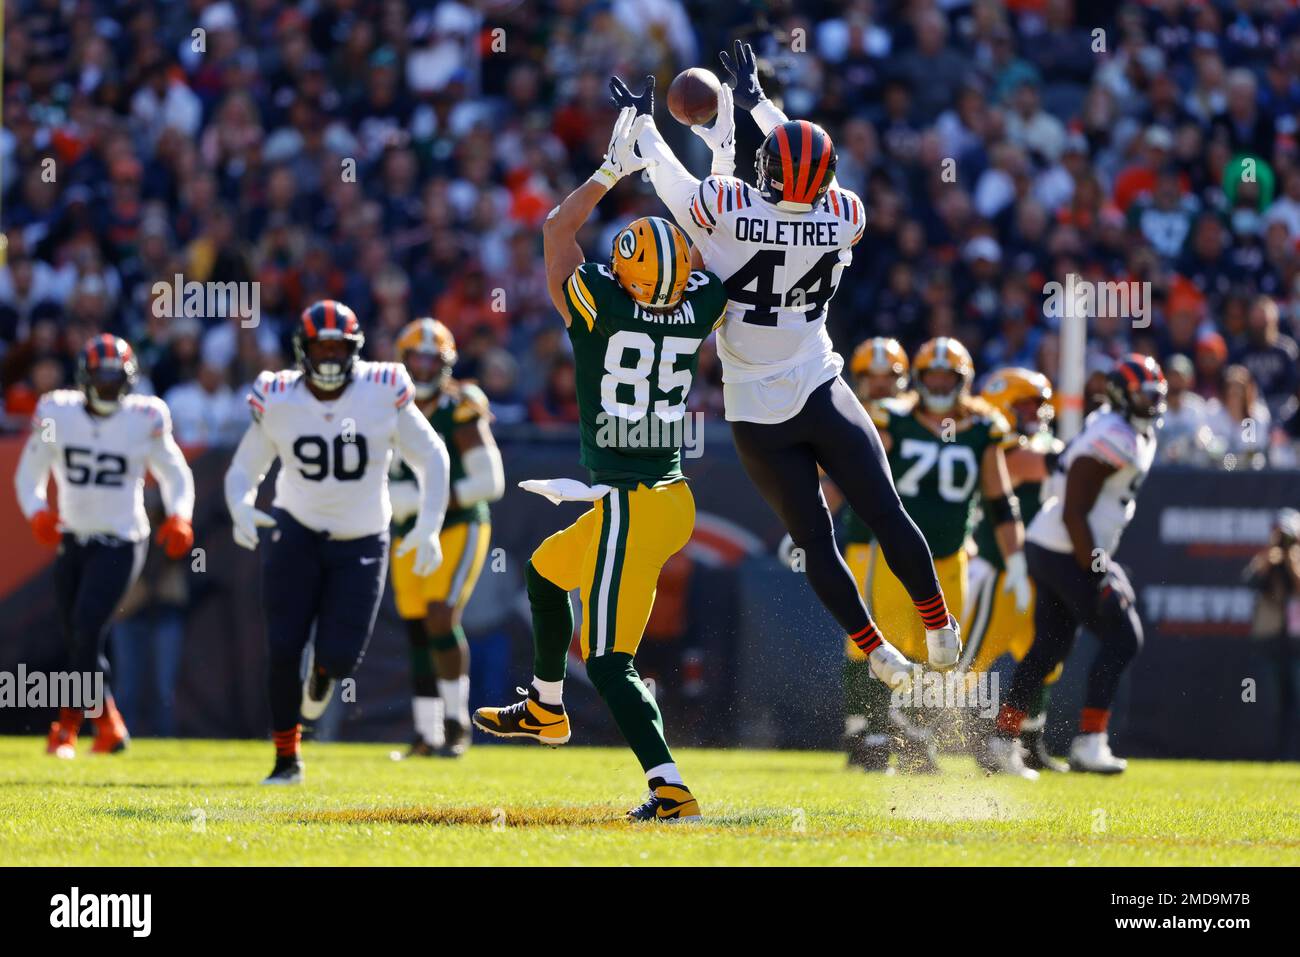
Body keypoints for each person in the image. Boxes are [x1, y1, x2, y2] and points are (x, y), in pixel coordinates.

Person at [619, 41, 949, 692]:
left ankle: (874, 649)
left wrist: (642, 124)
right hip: (821, 384)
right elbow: (806, 162)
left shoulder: (727, 211)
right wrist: (759, 106)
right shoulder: (845, 216)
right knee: (884, 509)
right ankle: (938, 624)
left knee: (815, 541)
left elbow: (665, 174)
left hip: (754, 408)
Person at [473, 108, 725, 822]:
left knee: (611, 659)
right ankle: (547, 707)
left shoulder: (601, 306)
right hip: (662, 494)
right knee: (548, 570)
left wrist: (613, 168)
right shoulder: (700, 303)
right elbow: (707, 261)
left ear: (629, 276)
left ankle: (669, 785)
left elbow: (557, 231)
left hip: (633, 498)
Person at [223, 300, 450, 785]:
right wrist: (240, 504)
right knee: (283, 645)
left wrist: (429, 524)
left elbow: (432, 455)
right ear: (302, 350)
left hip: (362, 537)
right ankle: (286, 759)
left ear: (354, 351)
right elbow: (246, 465)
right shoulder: (278, 394)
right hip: (295, 530)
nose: (328, 357)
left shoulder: (382, 389)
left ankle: (322, 676)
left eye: (337, 347)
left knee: (341, 657)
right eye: (320, 347)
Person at [14, 335, 195, 757]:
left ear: (129, 381)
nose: (110, 387)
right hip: (73, 537)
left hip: (122, 539)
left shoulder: (143, 417)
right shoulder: (58, 412)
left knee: (87, 625)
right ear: (84, 378)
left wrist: (180, 514)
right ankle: (90, 725)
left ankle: (82, 725)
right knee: (78, 636)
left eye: (117, 380)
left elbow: (176, 474)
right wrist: (37, 511)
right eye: (102, 378)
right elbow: (29, 475)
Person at [987, 355, 1166, 778]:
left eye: (1157, 394)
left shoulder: (1125, 427)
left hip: (1056, 545)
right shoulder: (1116, 434)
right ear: (1124, 397)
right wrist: (1099, 569)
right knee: (1123, 636)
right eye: (1145, 394)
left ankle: (1002, 739)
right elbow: (1073, 511)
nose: (1153, 402)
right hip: (1065, 547)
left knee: (1049, 647)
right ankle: (1090, 742)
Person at [862, 338, 1028, 773]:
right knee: (891, 647)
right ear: (918, 378)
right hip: (897, 555)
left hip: (950, 558)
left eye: (946, 376)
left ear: (963, 381)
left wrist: (1017, 562)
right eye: (931, 375)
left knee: (941, 655)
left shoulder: (982, 426)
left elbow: (1000, 499)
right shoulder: (893, 418)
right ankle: (878, 741)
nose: (938, 383)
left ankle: (916, 740)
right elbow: (858, 473)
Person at [388, 317, 504, 758]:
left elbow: (490, 481)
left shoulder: (460, 406)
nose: (421, 366)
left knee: (441, 615)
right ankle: (425, 734)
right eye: (414, 357)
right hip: (408, 529)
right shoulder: (385, 406)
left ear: (446, 363)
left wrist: (420, 497)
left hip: (458, 524)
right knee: (418, 625)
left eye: (429, 358)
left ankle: (457, 727)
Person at [965, 367, 1067, 773]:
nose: (1036, 412)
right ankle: (915, 735)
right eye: (1026, 403)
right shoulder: (1000, 446)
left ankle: (1022, 740)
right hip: (1000, 570)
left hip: (1036, 573)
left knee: (1042, 662)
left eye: (1039, 404)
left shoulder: (1045, 443)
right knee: (967, 666)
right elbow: (1028, 466)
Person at [1243, 508, 1300, 760]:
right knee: (1270, 703)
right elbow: (1249, 582)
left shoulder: (1296, 560)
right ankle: (1273, 754)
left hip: (1296, 644)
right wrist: (1271, 555)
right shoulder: (1265, 558)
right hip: (1270, 643)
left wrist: (1291, 558)